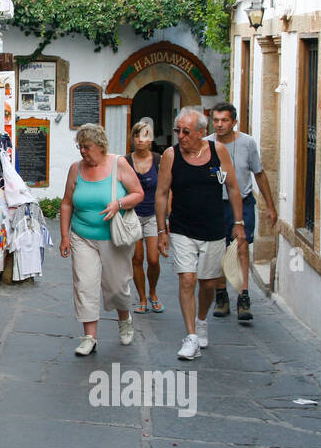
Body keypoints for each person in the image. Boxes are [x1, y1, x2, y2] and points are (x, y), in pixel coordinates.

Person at [155, 108, 246, 360]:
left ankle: (202, 319)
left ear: (201, 133)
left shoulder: (218, 152)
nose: (181, 136)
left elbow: (233, 187)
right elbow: (162, 193)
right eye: (178, 131)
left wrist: (238, 222)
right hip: (182, 227)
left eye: (186, 132)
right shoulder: (171, 155)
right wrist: (162, 230)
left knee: (208, 283)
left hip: (213, 228)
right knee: (187, 279)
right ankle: (191, 336)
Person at [59, 123, 145, 356]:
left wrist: (120, 203)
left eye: (86, 147)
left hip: (113, 238)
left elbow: (138, 193)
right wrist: (65, 236)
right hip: (82, 236)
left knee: (116, 286)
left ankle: (124, 319)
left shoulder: (119, 164)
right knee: (84, 284)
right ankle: (89, 337)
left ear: (100, 146)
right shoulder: (76, 169)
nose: (82, 152)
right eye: (80, 147)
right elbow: (67, 202)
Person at [207, 102, 277, 321]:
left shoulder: (247, 143)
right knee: (219, 250)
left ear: (234, 122)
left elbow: (259, 173)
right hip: (216, 204)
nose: (219, 125)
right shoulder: (205, 144)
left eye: (224, 120)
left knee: (241, 247)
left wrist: (270, 206)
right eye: (216, 120)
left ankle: (243, 296)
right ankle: (221, 295)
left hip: (243, 203)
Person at [126, 118, 164, 313]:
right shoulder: (126, 161)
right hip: (133, 215)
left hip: (152, 215)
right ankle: (142, 297)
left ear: (150, 139)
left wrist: (166, 217)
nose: (141, 140)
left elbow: (166, 189)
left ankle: (153, 291)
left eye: (145, 136)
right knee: (137, 259)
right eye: (137, 135)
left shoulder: (159, 160)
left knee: (154, 259)